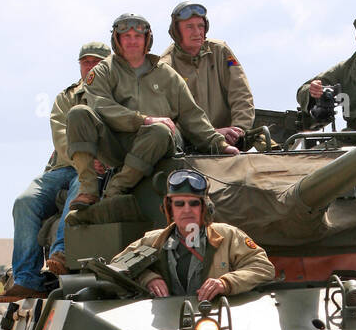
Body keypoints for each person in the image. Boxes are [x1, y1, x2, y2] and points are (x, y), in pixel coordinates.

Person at [65, 13, 238, 223]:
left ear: (147, 39)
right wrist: (143, 119)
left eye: (138, 36)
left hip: (159, 143)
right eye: (126, 36)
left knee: (161, 129)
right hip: (117, 142)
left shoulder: (166, 74)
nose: (132, 41)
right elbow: (101, 106)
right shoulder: (104, 71)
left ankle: (117, 187)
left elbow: (192, 115)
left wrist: (218, 143)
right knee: (78, 113)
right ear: (116, 40)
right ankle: (88, 189)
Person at [0, 41, 109, 302]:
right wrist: (84, 160)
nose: (90, 67)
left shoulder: (117, 93)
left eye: (97, 62)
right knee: (24, 202)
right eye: (86, 62)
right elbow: (61, 138)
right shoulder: (66, 98)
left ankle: (60, 254)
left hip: (100, 167)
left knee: (83, 185)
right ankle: (26, 280)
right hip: (65, 165)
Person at [110, 169, 274, 299]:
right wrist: (149, 278)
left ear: (204, 208)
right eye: (179, 204)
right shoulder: (154, 241)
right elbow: (116, 266)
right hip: (166, 322)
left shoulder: (227, 236)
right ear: (170, 209)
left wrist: (226, 283)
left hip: (215, 318)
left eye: (194, 203)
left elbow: (263, 267)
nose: (186, 210)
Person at [158, 1, 254, 147]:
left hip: (231, 138)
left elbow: (241, 94)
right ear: (177, 32)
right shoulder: (166, 66)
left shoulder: (220, 51)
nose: (197, 32)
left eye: (200, 26)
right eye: (189, 27)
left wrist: (240, 129)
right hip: (189, 144)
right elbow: (168, 117)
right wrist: (211, 134)